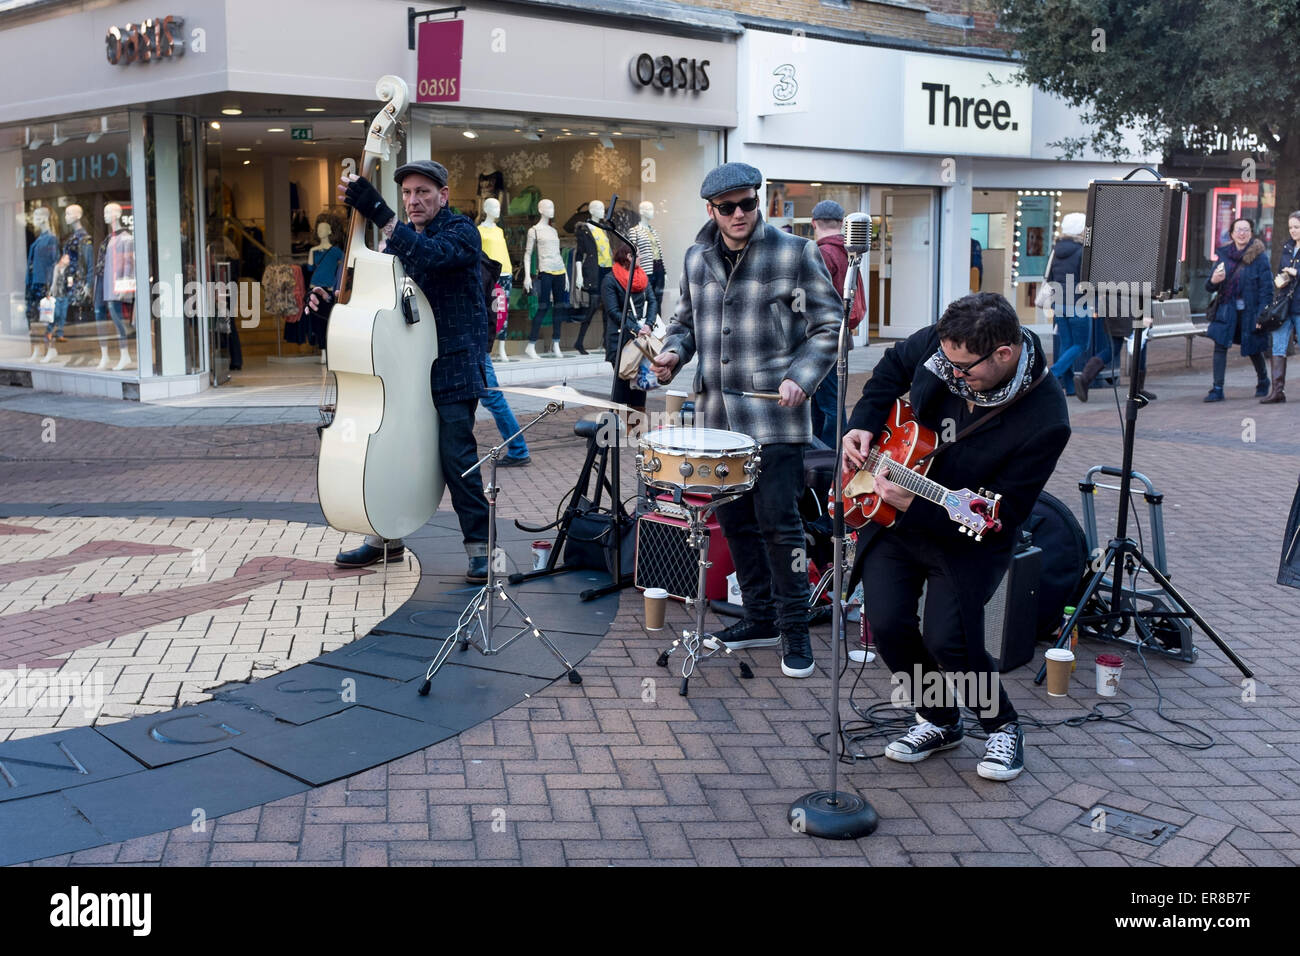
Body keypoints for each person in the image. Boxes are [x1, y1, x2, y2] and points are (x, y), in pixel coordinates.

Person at [840, 293, 1071, 781]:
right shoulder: (944, 346)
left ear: (1003, 354)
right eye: (945, 360)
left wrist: (918, 505)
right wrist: (861, 425)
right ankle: (941, 719)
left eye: (964, 368)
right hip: (895, 514)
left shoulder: (1046, 420)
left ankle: (1002, 726)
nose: (950, 373)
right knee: (886, 626)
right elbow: (889, 370)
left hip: (965, 535)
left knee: (949, 640)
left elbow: (1002, 516)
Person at [651, 162, 840, 678]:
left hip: (775, 416)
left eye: (748, 204)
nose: (740, 214)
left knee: (782, 526)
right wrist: (672, 353)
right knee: (734, 523)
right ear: (710, 210)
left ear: (759, 202)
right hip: (716, 421)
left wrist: (802, 375)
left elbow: (828, 324)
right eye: (728, 207)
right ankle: (759, 617)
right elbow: (684, 323)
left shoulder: (794, 252)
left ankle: (794, 629)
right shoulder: (695, 257)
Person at [318, 159, 492, 583]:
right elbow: (377, 301)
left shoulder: (462, 232)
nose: (413, 201)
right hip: (407, 367)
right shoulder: (399, 242)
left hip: (453, 365)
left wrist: (382, 215)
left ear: (444, 196)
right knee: (390, 452)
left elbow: (432, 257)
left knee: (456, 457)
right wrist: (332, 302)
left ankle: (482, 549)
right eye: (408, 194)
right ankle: (385, 538)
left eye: (423, 193)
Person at [1203, 217, 1272, 402]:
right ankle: (1217, 388)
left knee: (1253, 348)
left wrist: (1262, 315)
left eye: (1246, 230)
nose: (1242, 233)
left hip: (1250, 311)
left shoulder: (1260, 257)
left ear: (1251, 233)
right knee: (1220, 345)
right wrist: (1214, 281)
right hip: (1227, 309)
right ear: (1232, 233)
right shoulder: (1224, 255)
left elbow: (1267, 289)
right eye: (1238, 230)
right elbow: (1209, 286)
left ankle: (1263, 381)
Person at [602, 239, 656, 431]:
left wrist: (649, 324)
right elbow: (614, 312)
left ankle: (636, 428)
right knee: (622, 382)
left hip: (642, 339)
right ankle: (616, 426)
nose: (641, 258)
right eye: (638, 254)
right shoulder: (610, 280)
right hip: (620, 340)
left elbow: (652, 301)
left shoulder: (642, 278)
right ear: (628, 256)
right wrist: (636, 328)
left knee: (640, 384)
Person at [809, 200, 850, 450]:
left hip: (825, 335)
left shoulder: (823, 253)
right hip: (841, 333)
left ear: (814, 223)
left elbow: (815, 299)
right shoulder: (847, 251)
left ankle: (830, 457)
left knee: (828, 401)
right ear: (842, 224)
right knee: (828, 398)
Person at [1261, 210, 1300, 404]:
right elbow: (1280, 272)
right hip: (1284, 305)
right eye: (1291, 227)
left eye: (1297, 227)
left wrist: (1297, 272)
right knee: (1278, 347)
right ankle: (1277, 391)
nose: (1293, 231)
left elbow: (1295, 273)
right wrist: (1281, 279)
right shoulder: (1287, 247)